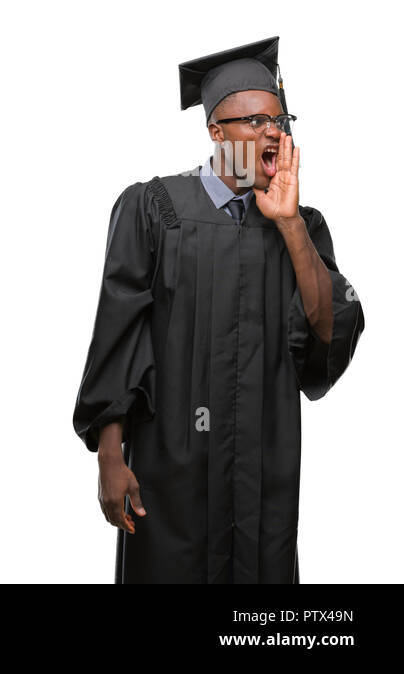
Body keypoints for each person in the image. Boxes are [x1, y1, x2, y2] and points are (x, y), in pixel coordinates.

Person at [73, 37, 364, 583]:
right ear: (215, 132)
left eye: (280, 120)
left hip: (263, 468)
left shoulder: (303, 223)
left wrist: (290, 222)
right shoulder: (154, 208)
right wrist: (110, 457)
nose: (272, 131)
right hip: (169, 463)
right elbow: (118, 331)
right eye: (254, 120)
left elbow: (327, 330)